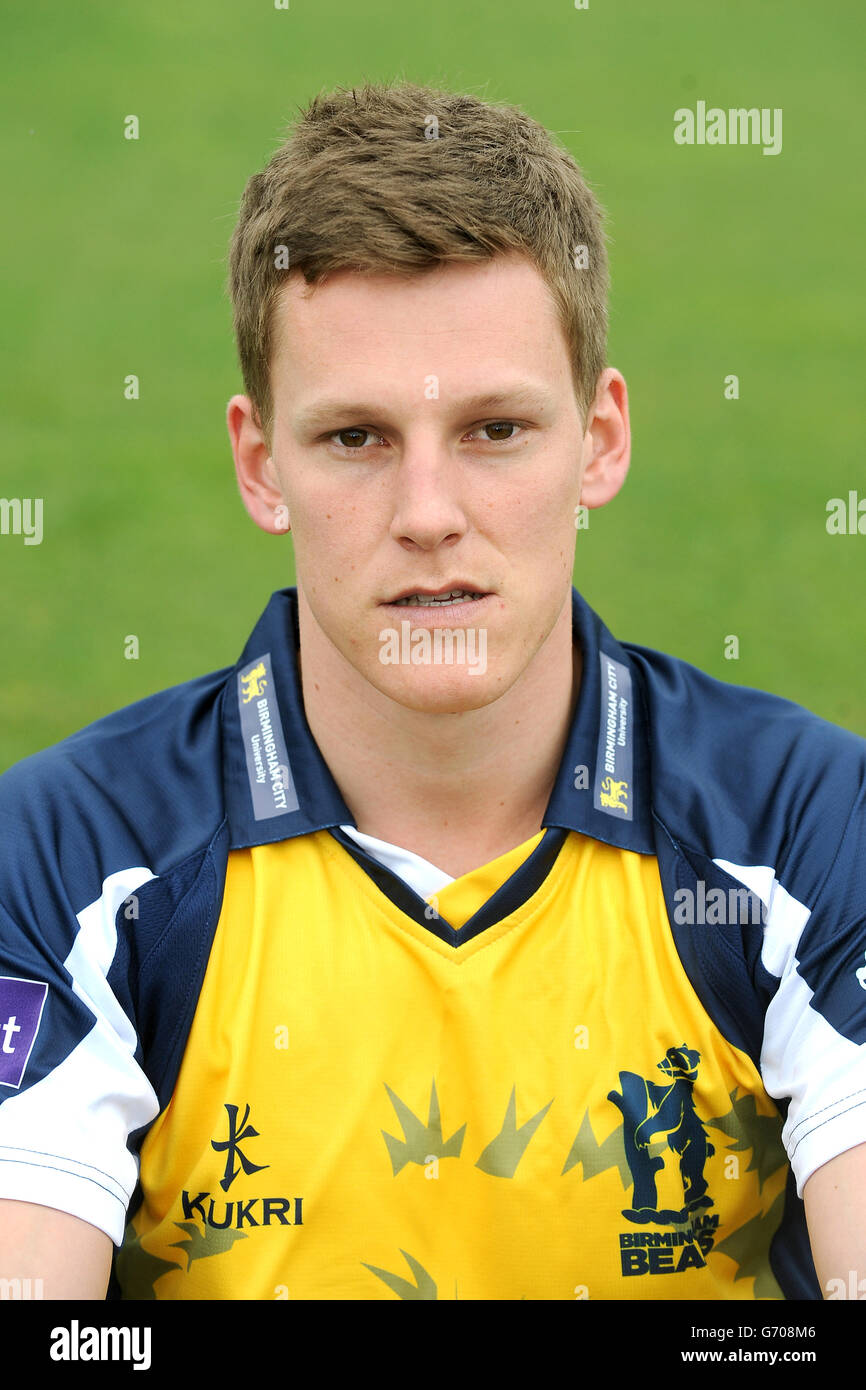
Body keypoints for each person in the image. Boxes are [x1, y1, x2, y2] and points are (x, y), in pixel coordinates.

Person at [0, 79, 864, 1302]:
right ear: (260, 465)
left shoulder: (809, 825)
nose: (427, 517)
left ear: (599, 440)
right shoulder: (62, 855)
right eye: (354, 438)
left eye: (494, 430)